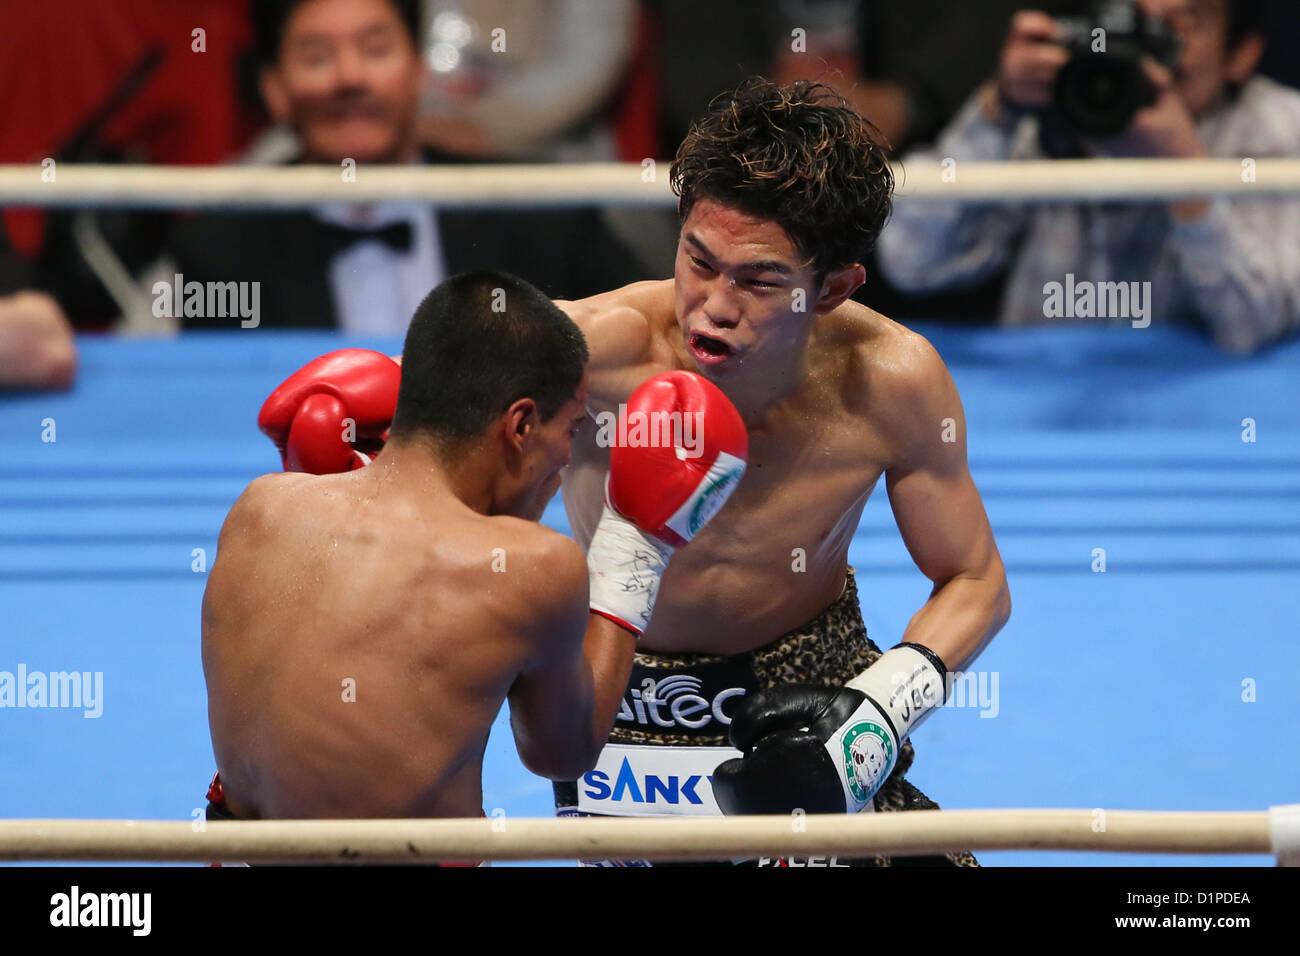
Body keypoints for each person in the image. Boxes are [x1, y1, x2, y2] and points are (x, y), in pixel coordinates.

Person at [262, 79, 1011, 866]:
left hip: (809, 681)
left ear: (833, 288)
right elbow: (425, 437)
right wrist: (352, 456)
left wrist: (878, 710)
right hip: (615, 685)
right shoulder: (589, 351)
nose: (713, 306)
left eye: (759, 281)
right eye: (699, 260)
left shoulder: (891, 381)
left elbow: (975, 579)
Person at [202, 272, 747, 831]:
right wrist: (636, 545)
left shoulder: (257, 508)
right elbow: (564, 753)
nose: (566, 462)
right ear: (521, 424)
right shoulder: (532, 567)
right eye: (574, 428)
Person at [170, 0, 640, 333]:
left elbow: (654, 331)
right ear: (274, 90)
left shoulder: (541, 217)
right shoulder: (223, 249)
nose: (350, 77)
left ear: (418, 70)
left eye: (375, 49)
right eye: (318, 56)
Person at [877, 0, 1300, 354]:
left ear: (1241, 53)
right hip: (1043, 401)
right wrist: (997, 113)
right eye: (1136, 25)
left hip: (1207, 415)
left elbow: (1254, 323)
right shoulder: (1062, 97)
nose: (1150, 53)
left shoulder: (1279, 127)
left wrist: (1184, 171)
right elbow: (909, 260)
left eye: (1179, 28)